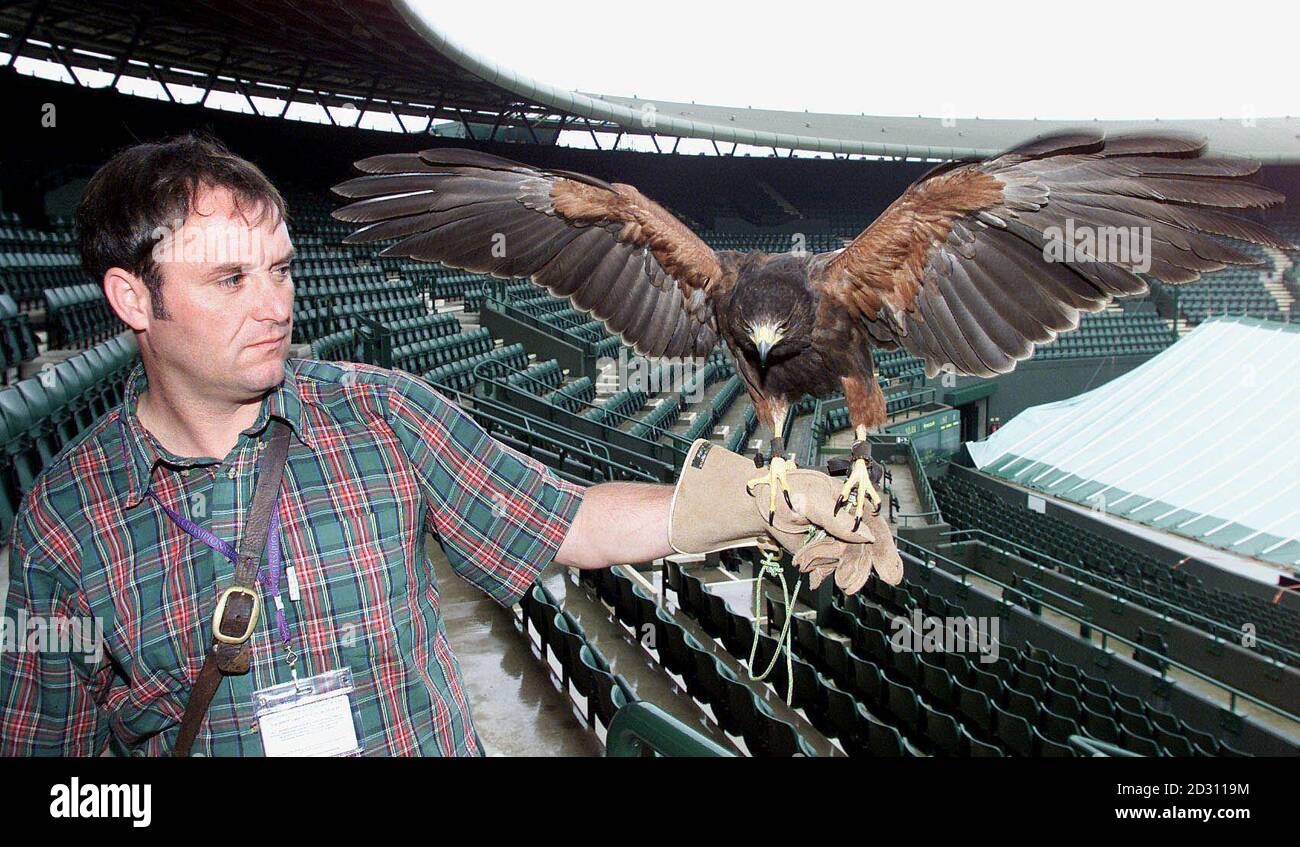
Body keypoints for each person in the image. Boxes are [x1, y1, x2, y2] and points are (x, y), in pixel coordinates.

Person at [0, 135, 877, 756]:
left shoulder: (384, 414)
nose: (275, 305)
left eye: (283, 269)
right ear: (131, 298)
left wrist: (761, 501)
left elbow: (568, 521)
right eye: (231, 278)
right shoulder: (60, 531)